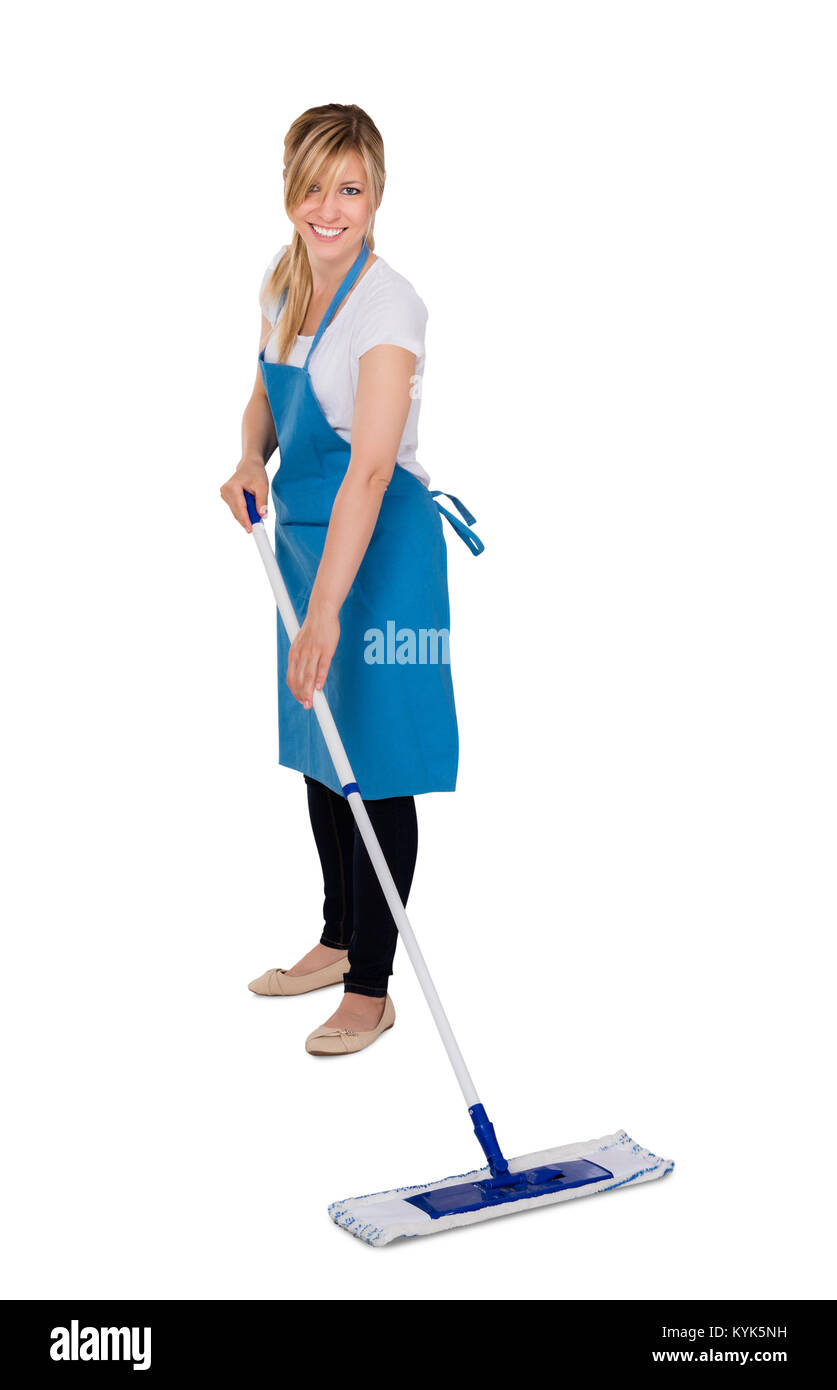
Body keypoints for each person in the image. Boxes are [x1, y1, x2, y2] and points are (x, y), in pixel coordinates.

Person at [220, 103, 483, 1057]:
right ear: (289, 185)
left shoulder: (390, 305)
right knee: (321, 747)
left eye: (351, 188)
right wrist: (250, 459)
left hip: (382, 556)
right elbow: (262, 398)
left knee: (376, 762)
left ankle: (372, 987)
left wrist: (326, 610)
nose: (328, 208)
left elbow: (369, 469)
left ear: (376, 197)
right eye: (314, 185)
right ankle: (336, 938)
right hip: (301, 537)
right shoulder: (283, 282)